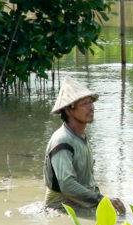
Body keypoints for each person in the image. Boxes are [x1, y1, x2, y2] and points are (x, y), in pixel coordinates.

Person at [43, 77, 125, 216]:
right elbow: (67, 185)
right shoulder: (62, 140)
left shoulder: (81, 138)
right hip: (63, 209)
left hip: (83, 205)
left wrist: (101, 198)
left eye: (91, 102)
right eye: (84, 104)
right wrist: (101, 199)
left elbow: (88, 181)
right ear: (69, 110)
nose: (91, 107)